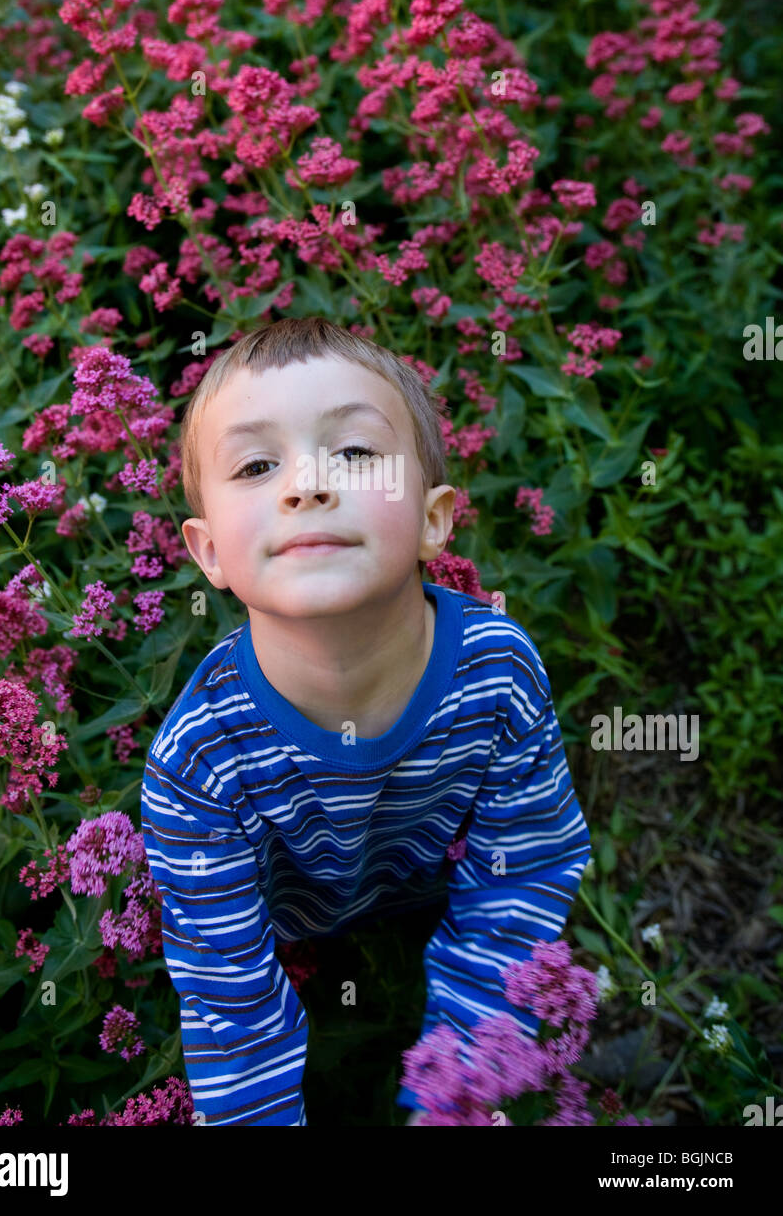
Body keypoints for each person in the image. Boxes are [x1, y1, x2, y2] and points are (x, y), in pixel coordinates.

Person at [141, 316, 592, 1125]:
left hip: (426, 896)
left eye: (354, 452)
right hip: (293, 926)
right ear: (208, 553)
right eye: (255, 464)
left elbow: (521, 872)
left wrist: (462, 1090)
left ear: (433, 517)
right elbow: (229, 998)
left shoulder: (496, 669)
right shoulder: (198, 758)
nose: (307, 483)